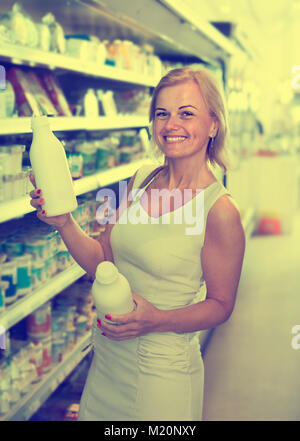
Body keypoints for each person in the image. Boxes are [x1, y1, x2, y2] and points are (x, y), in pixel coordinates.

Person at [29, 67, 245, 421]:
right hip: (108, 364)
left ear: (213, 124)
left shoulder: (219, 210)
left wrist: (155, 319)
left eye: (186, 113)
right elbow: (104, 260)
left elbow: (221, 305)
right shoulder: (143, 178)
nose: (171, 124)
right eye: (162, 113)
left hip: (163, 374)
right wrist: (64, 223)